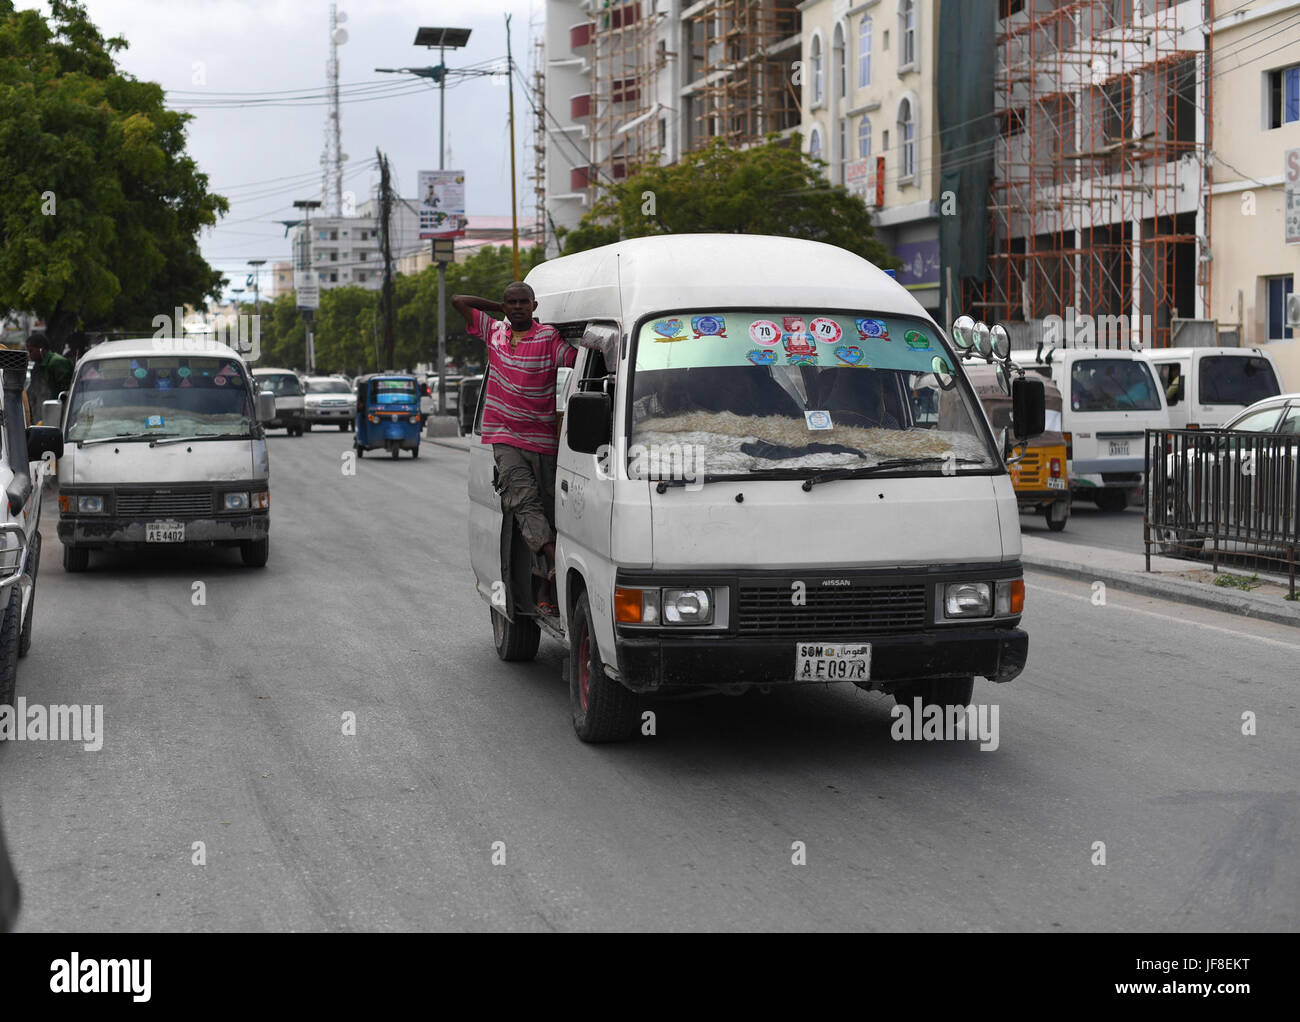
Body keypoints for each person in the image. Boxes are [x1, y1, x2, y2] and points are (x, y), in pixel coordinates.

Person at [452, 283, 577, 616]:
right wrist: (499, 305)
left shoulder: (548, 338)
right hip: (505, 439)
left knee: (545, 513)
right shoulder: (493, 331)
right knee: (524, 502)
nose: (518, 307)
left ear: (534, 306)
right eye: (512, 303)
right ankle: (558, 561)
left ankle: (545, 586)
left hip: (544, 440)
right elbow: (459, 298)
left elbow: (576, 362)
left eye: (524, 303)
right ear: (504, 306)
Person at [25, 331, 73, 423]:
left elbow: (66, 392)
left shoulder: (57, 362)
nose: (29, 355)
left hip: (60, 415)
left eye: (31, 351)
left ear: (41, 349)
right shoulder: (40, 366)